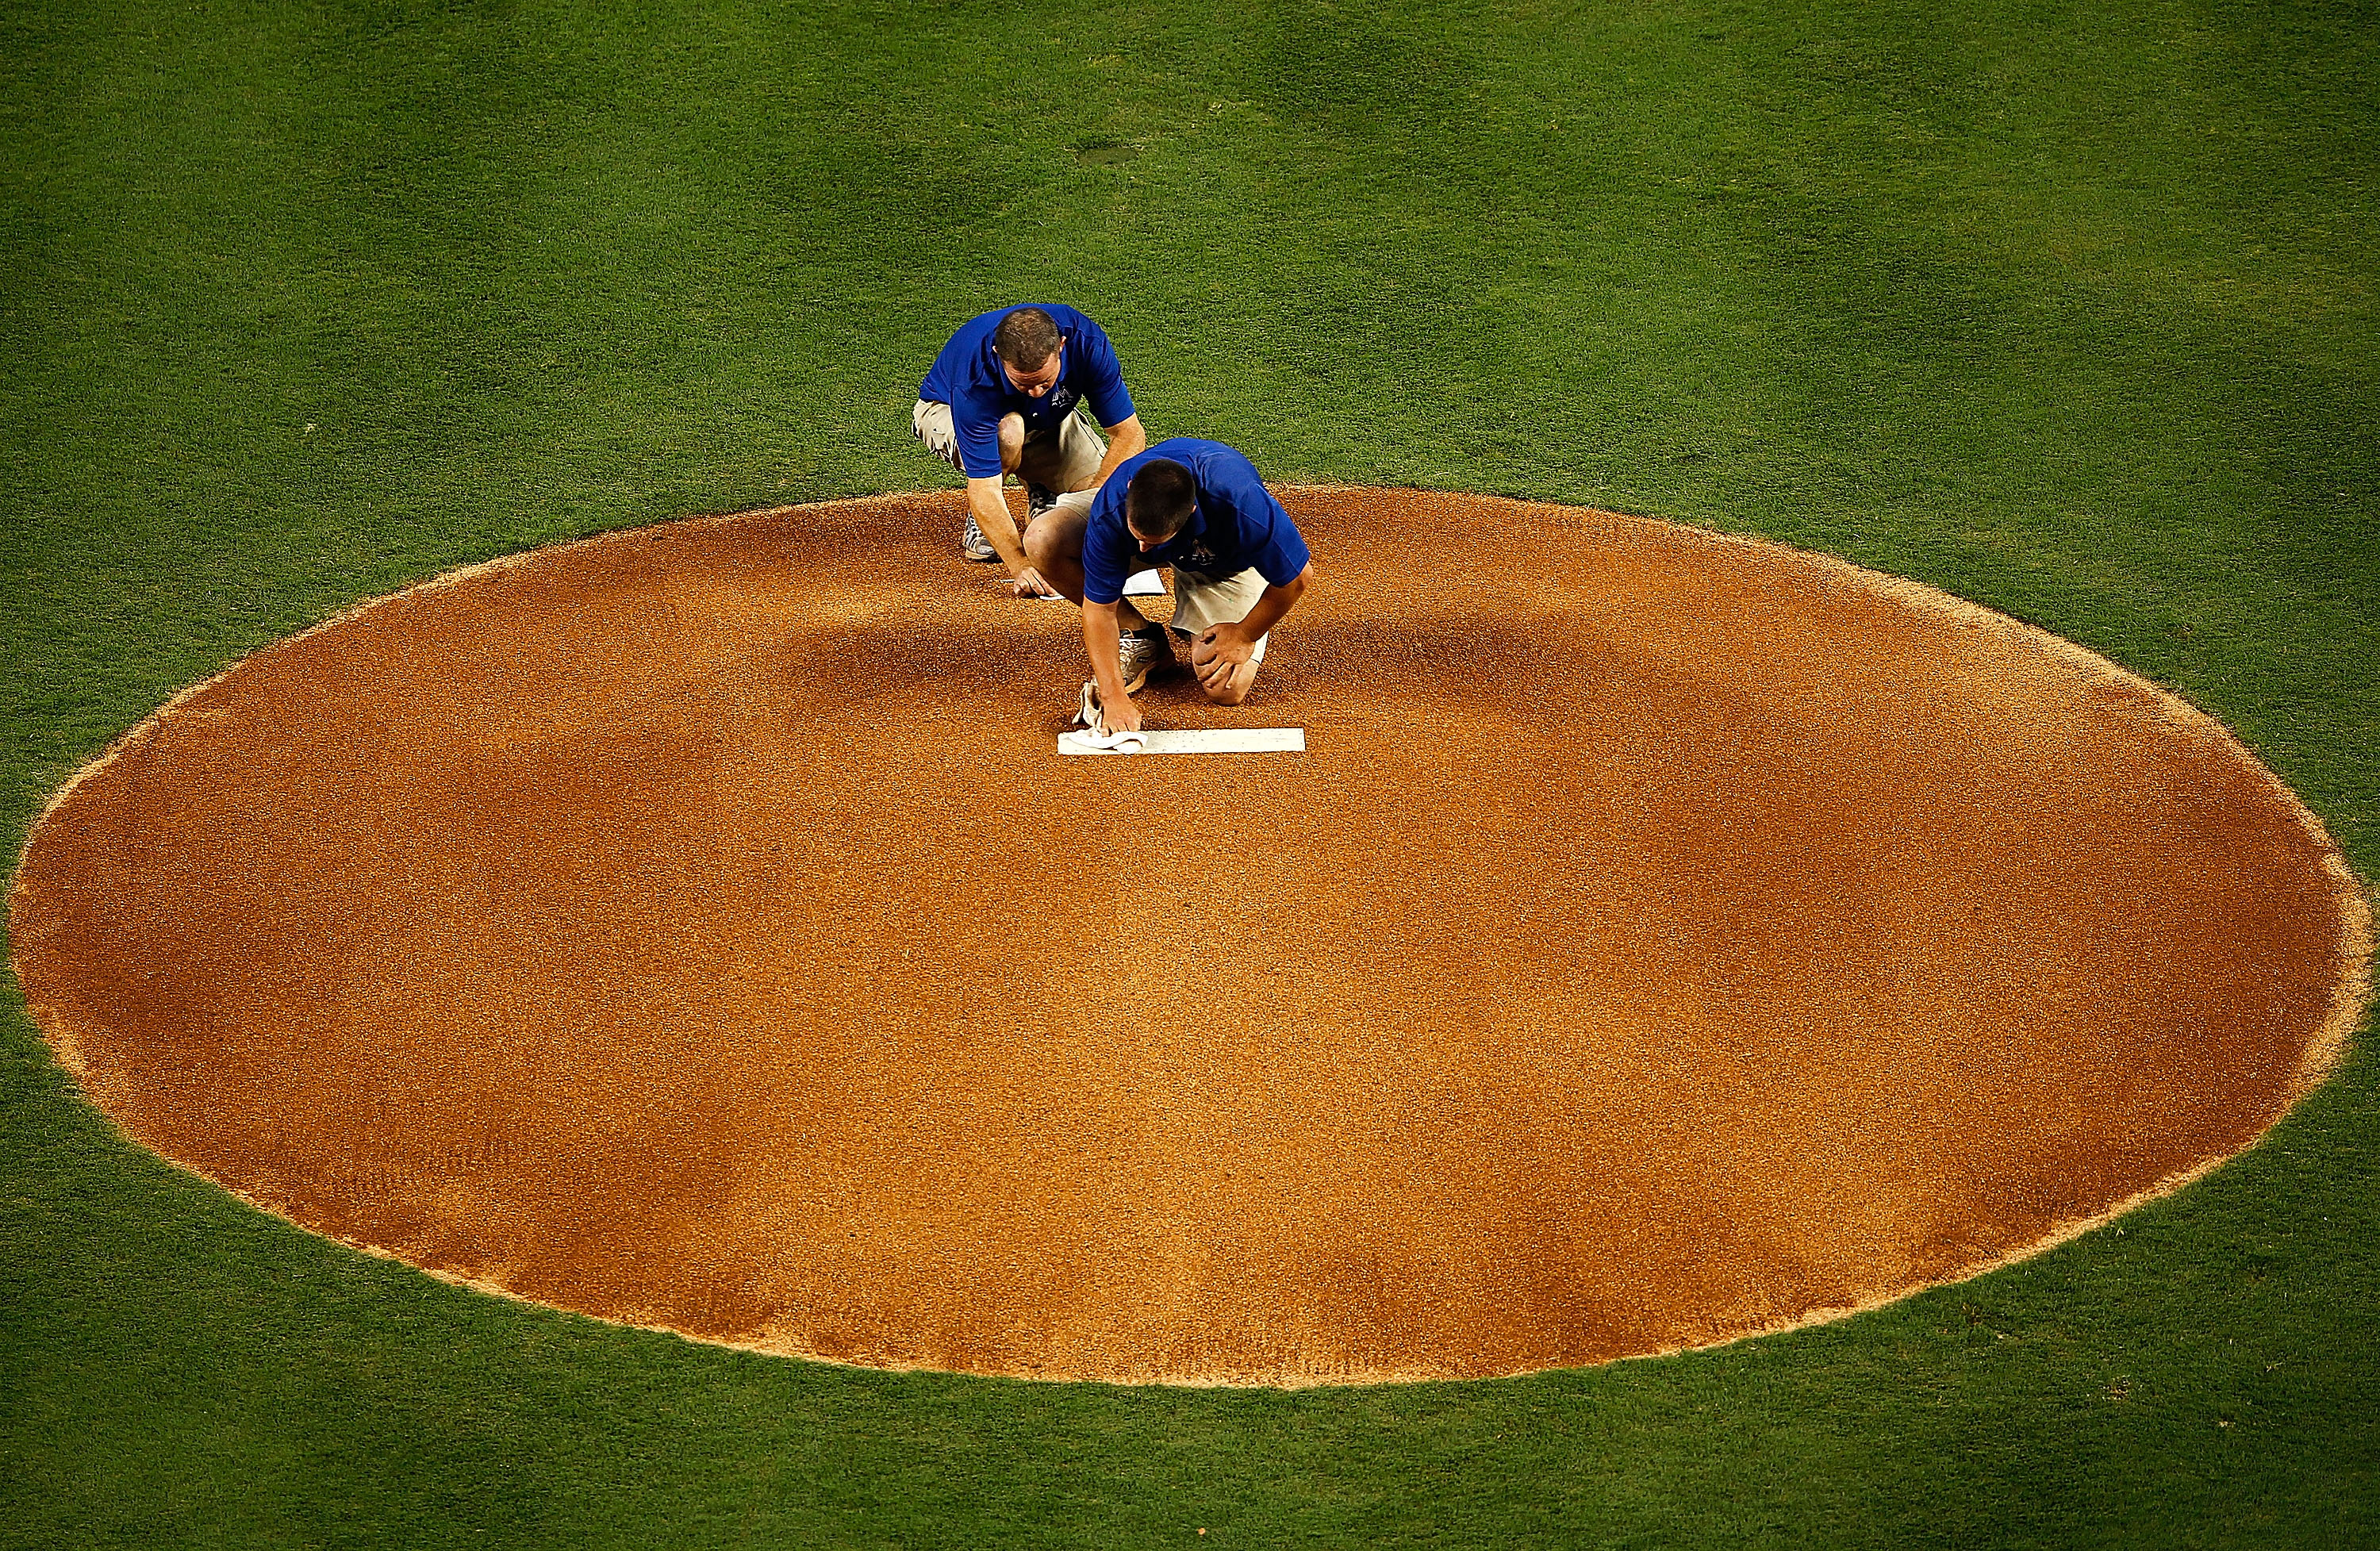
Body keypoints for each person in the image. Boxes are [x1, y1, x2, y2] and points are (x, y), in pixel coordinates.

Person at [1039, 438, 1314, 734]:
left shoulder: (1240, 501)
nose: (1142, 549)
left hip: (1223, 563)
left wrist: (1245, 634)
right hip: (1170, 538)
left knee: (1226, 687)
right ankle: (1142, 636)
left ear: (1191, 513)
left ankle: (1195, 594)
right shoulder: (1113, 505)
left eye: (1153, 541)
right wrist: (1113, 696)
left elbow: (1297, 578)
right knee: (1045, 540)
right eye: (1138, 536)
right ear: (1130, 492)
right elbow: (1099, 608)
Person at [911, 304, 1147, 598]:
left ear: (1061, 346)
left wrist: (1094, 499)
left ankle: (1041, 488)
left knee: (1092, 494)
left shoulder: (1087, 343)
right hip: (946, 410)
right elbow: (984, 485)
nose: (1037, 392)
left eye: (1044, 381)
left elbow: (1129, 434)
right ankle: (983, 521)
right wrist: (1020, 563)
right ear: (999, 355)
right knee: (1009, 433)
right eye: (1024, 383)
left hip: (1048, 420)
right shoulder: (975, 378)